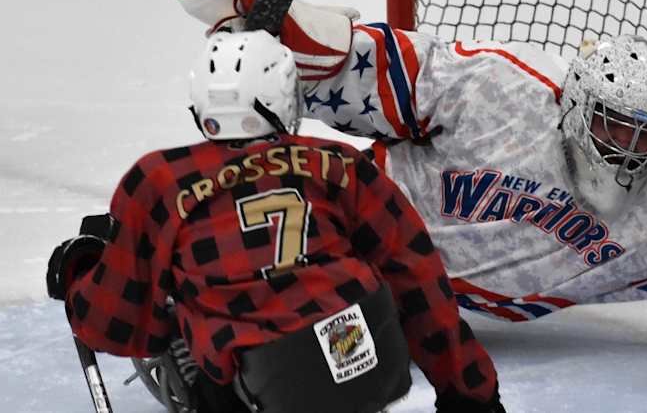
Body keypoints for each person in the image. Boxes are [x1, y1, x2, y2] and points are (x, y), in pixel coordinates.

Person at [172, 0, 647, 378]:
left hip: (444, 319)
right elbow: (368, 66)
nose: (627, 149)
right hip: (368, 241)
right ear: (574, 107)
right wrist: (282, 35)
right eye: (612, 125)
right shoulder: (498, 89)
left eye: (645, 135)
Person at [46, 29, 507, 413]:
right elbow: (418, 281)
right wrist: (472, 398)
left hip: (262, 388)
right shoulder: (341, 164)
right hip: (372, 365)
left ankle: (203, 367)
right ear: (285, 95)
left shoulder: (160, 179)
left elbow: (116, 324)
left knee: (172, 304)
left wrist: (78, 277)